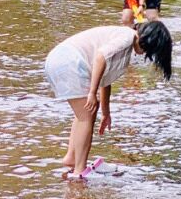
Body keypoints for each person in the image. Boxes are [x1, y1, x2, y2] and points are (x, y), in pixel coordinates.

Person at [44, 21, 172, 180]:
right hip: (68, 61)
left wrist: (105, 112)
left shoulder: (124, 42)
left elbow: (105, 78)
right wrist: (92, 93)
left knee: (86, 111)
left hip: (60, 59)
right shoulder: (127, 37)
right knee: (86, 114)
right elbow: (100, 58)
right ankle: (79, 171)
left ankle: (72, 158)